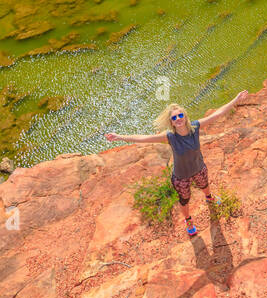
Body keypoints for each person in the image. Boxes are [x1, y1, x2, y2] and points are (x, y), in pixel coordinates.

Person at [105, 90, 248, 238]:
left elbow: (217, 114)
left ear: (185, 116)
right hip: (181, 177)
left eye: (180, 115)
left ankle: (209, 198)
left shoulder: (195, 127)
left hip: (199, 168)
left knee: (205, 185)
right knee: (184, 200)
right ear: (171, 122)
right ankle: (188, 220)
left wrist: (236, 99)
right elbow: (143, 138)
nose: (178, 118)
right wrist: (119, 137)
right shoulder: (170, 137)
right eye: (174, 118)